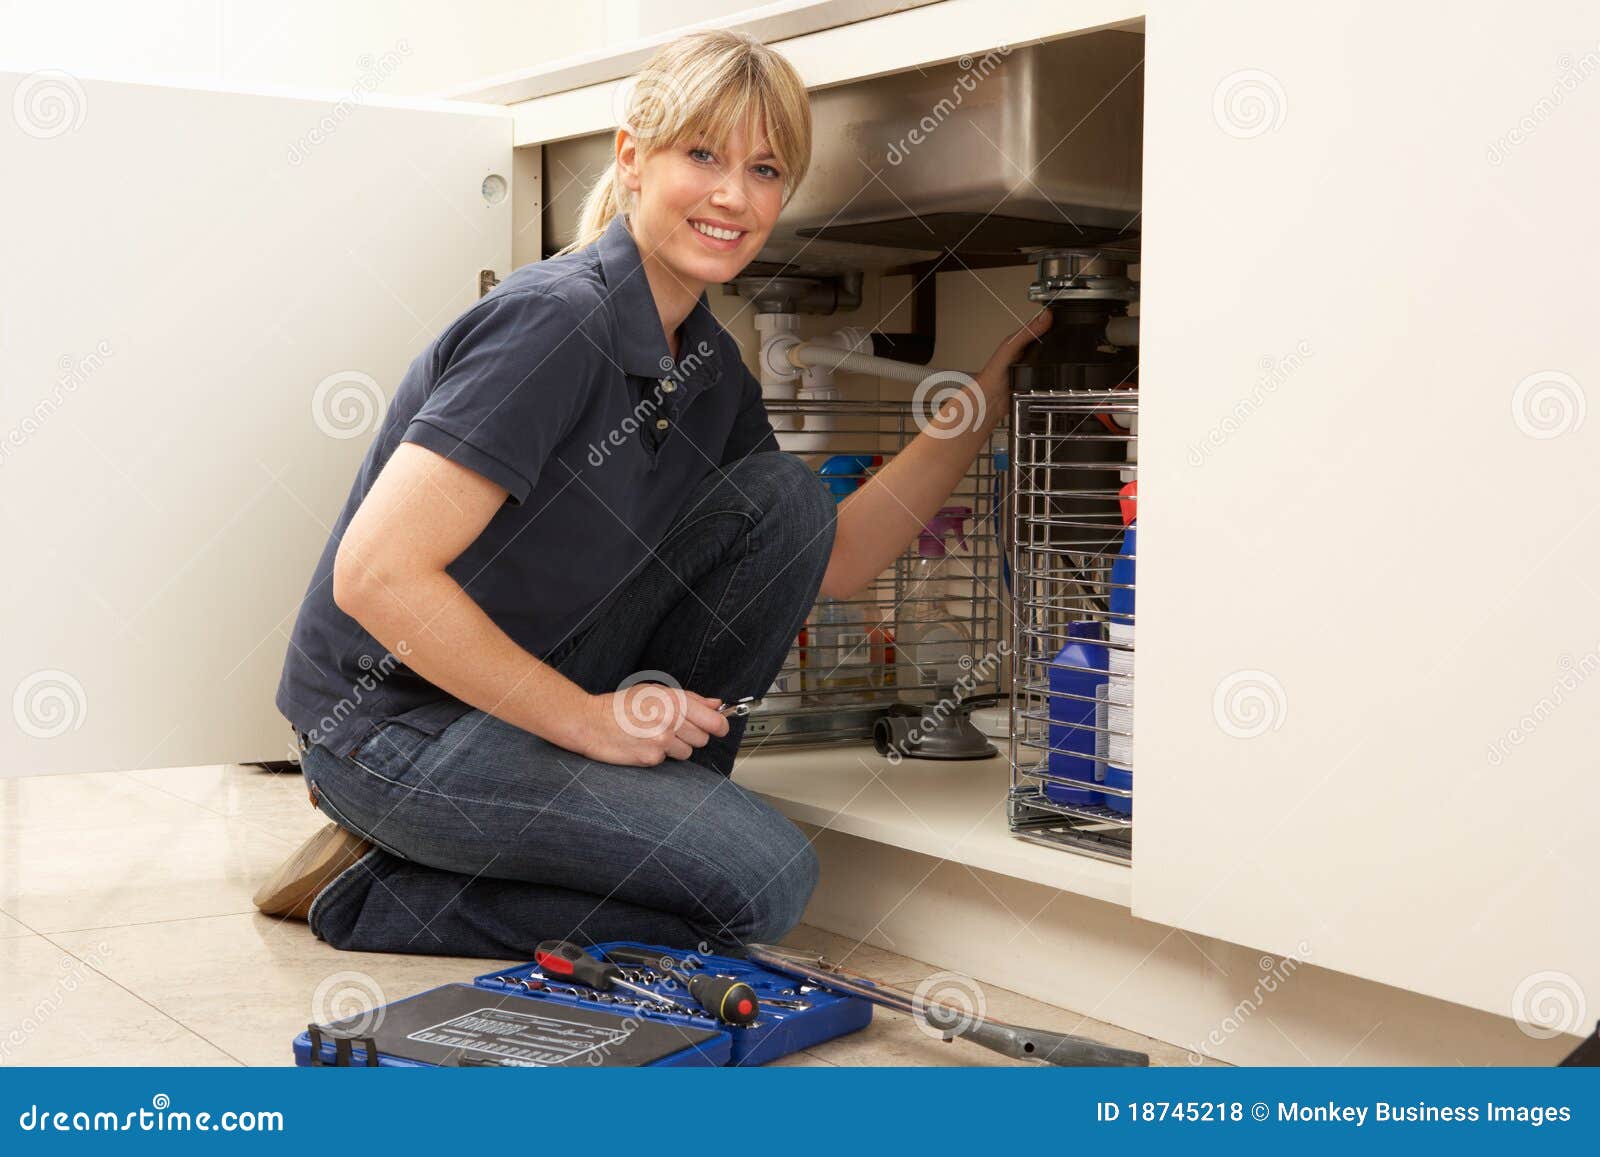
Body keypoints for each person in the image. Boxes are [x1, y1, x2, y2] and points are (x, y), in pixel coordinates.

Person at [256, 28, 1051, 959]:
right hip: (390, 731)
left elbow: (833, 556)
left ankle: (626, 828)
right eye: (702, 155)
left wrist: (979, 410)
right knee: (762, 887)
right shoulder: (554, 325)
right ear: (633, 158)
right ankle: (376, 889)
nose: (733, 195)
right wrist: (590, 720)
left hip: (516, 695)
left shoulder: (708, 361)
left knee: (785, 502)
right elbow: (378, 577)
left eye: (764, 169)